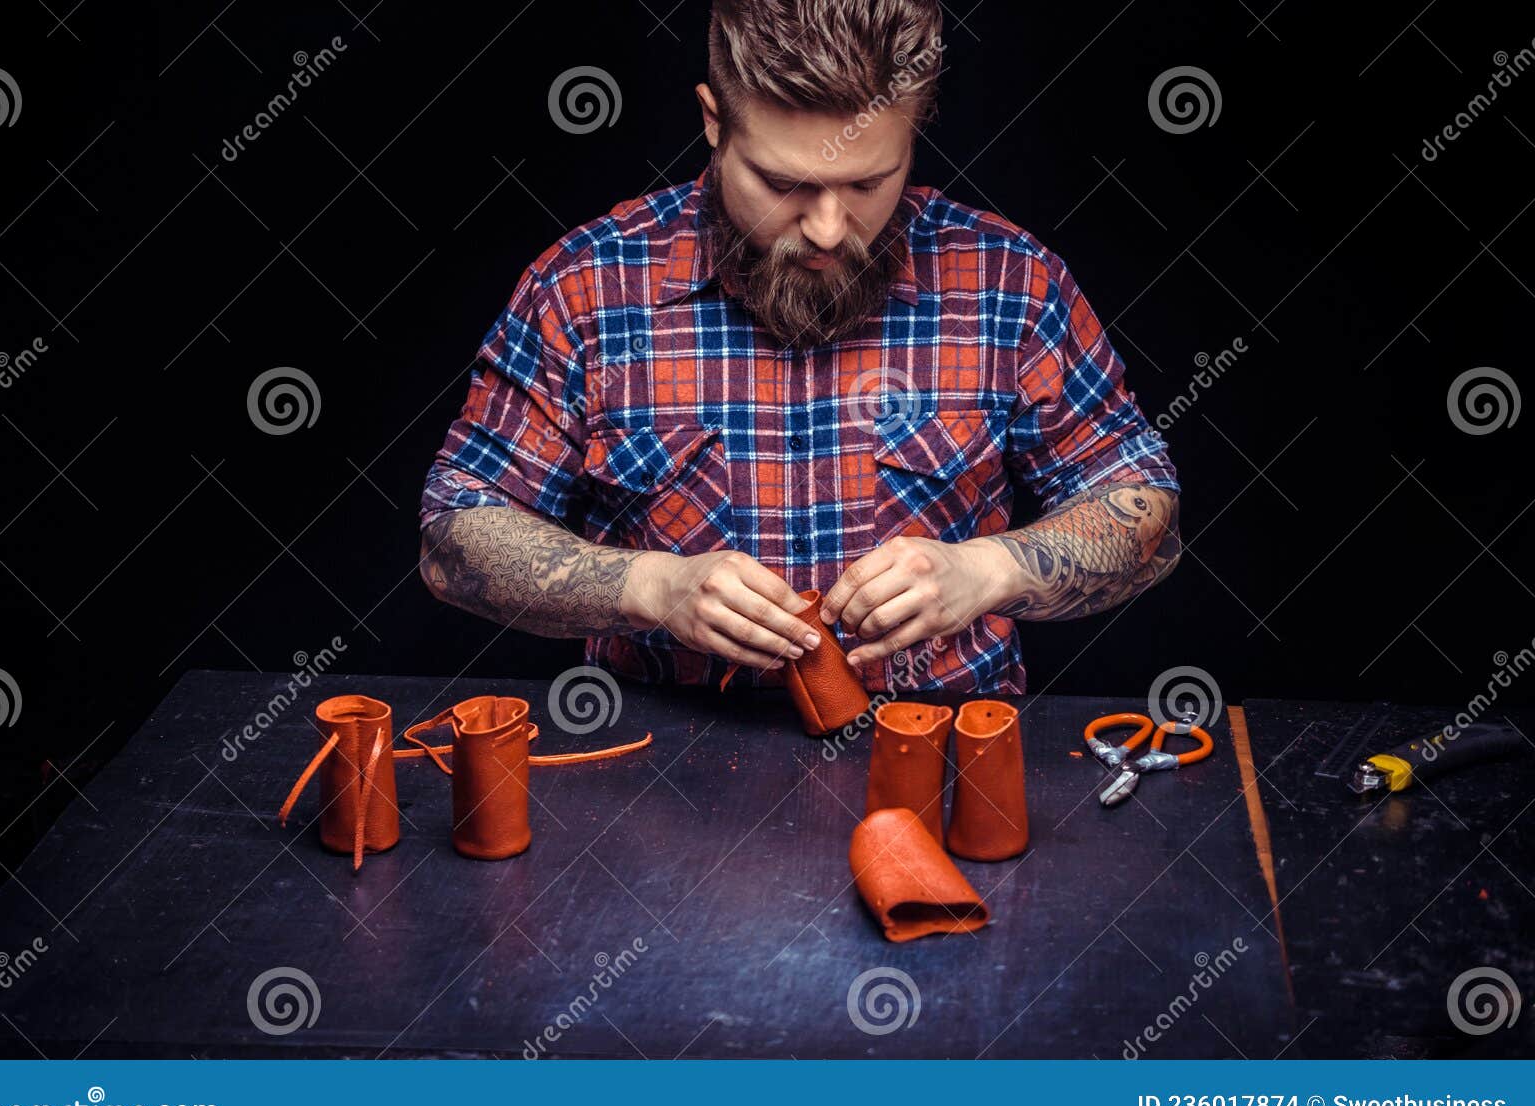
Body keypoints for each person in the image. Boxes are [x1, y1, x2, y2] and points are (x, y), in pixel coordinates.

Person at [418, 0, 1180, 695]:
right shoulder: (585, 288)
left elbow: (1148, 516)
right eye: (784, 183)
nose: (825, 229)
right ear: (714, 122)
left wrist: (984, 572)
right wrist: (653, 587)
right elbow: (455, 536)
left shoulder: (1010, 282)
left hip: (945, 771)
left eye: (867, 183)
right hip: (656, 782)